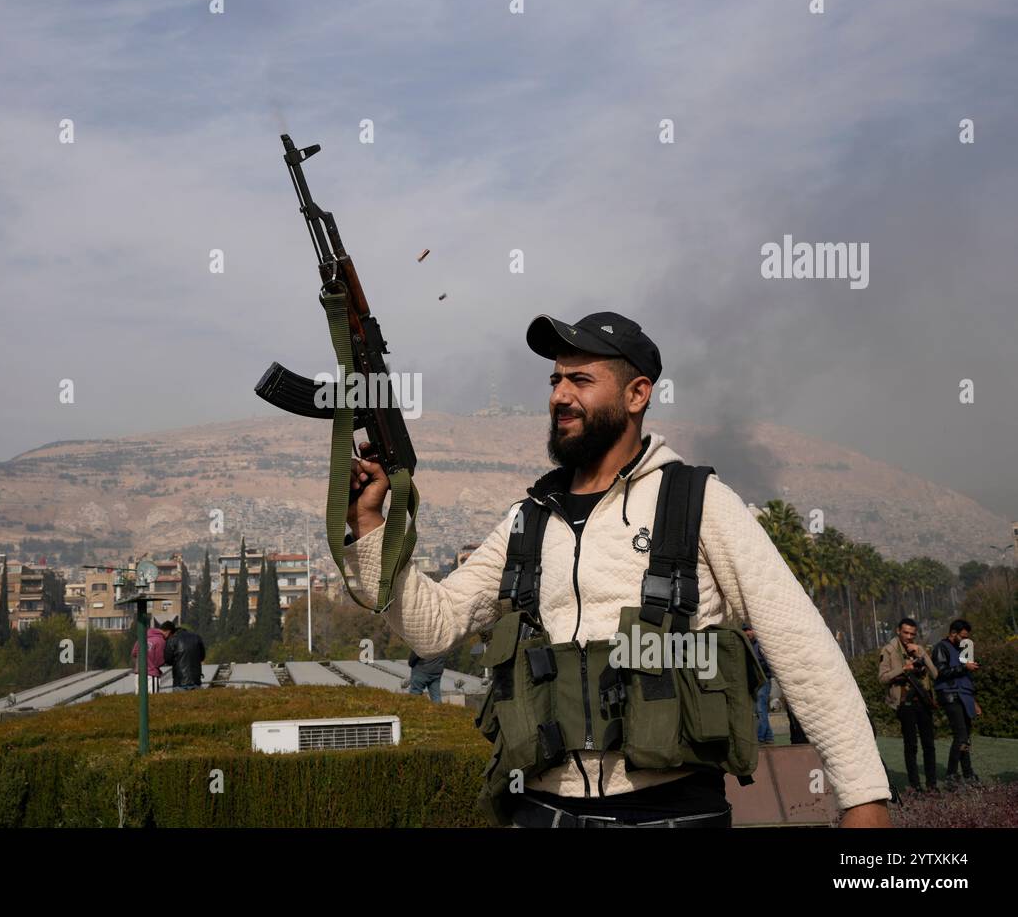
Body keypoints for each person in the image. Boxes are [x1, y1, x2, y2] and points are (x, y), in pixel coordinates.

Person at [341, 309, 891, 827]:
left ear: (637, 394)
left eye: (580, 381)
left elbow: (799, 645)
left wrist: (863, 795)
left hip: (668, 810)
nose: (559, 396)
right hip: (541, 808)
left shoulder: (698, 501)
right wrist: (370, 526)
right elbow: (432, 626)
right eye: (555, 382)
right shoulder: (528, 519)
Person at [878, 617, 939, 793]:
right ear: (898, 631)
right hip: (904, 702)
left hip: (923, 701)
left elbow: (935, 674)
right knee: (910, 745)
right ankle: (915, 785)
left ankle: (932, 785)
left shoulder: (918, 649)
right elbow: (882, 678)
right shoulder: (889, 650)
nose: (909, 636)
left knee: (929, 744)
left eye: (913, 633)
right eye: (906, 632)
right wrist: (904, 669)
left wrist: (921, 653)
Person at [932, 619, 981, 786]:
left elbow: (967, 679)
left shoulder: (964, 650)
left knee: (965, 737)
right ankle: (951, 775)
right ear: (953, 633)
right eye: (962, 636)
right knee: (961, 736)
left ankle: (968, 773)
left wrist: (973, 701)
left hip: (964, 695)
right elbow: (940, 672)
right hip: (949, 695)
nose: (965, 639)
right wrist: (964, 668)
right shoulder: (941, 647)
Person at [743, 624, 774, 744]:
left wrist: (757, 666)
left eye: (749, 630)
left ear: (754, 631)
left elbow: (768, 664)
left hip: (763, 680)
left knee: (760, 710)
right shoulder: (748, 646)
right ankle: (769, 737)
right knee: (760, 710)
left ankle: (759, 737)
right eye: (744, 630)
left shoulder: (760, 646)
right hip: (755, 681)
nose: (747, 633)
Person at [162, 619, 207, 690]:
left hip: (180, 681)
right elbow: (202, 657)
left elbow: (168, 659)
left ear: (168, 632)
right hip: (196, 680)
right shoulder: (196, 637)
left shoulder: (172, 640)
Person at [130, 621, 167, 693]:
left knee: (139, 699)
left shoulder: (141, 638)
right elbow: (159, 661)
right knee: (153, 699)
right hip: (152, 674)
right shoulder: (160, 640)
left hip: (139, 674)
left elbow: (134, 653)